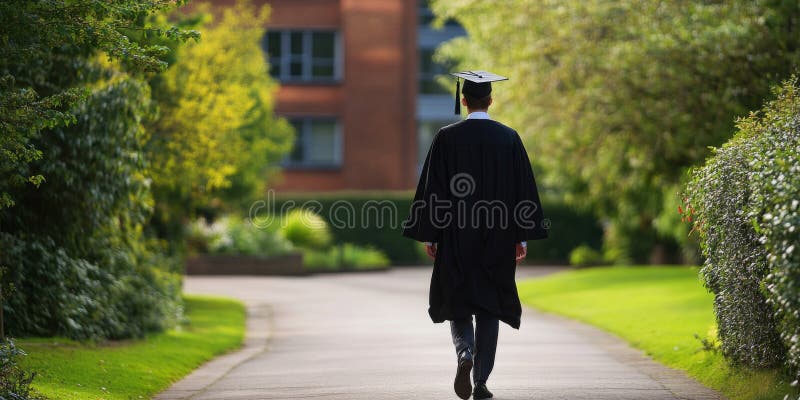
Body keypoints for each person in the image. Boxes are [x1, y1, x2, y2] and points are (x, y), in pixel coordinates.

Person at [402, 71, 548, 399]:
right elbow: (521, 189)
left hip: (456, 235)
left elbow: (434, 189)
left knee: (458, 299)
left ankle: (464, 352)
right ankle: (481, 380)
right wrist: (520, 237)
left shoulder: (446, 137)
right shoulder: (509, 138)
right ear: (491, 101)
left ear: (464, 100)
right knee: (489, 304)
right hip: (497, 237)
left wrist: (432, 235)